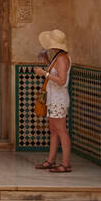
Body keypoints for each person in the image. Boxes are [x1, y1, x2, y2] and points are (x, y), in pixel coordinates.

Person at [34, 29, 72, 172]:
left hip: (59, 100)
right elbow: (55, 72)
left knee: (61, 130)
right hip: (53, 99)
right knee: (54, 130)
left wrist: (44, 73)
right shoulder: (58, 57)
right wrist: (46, 61)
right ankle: (51, 161)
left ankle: (66, 164)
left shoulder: (62, 58)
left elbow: (62, 81)